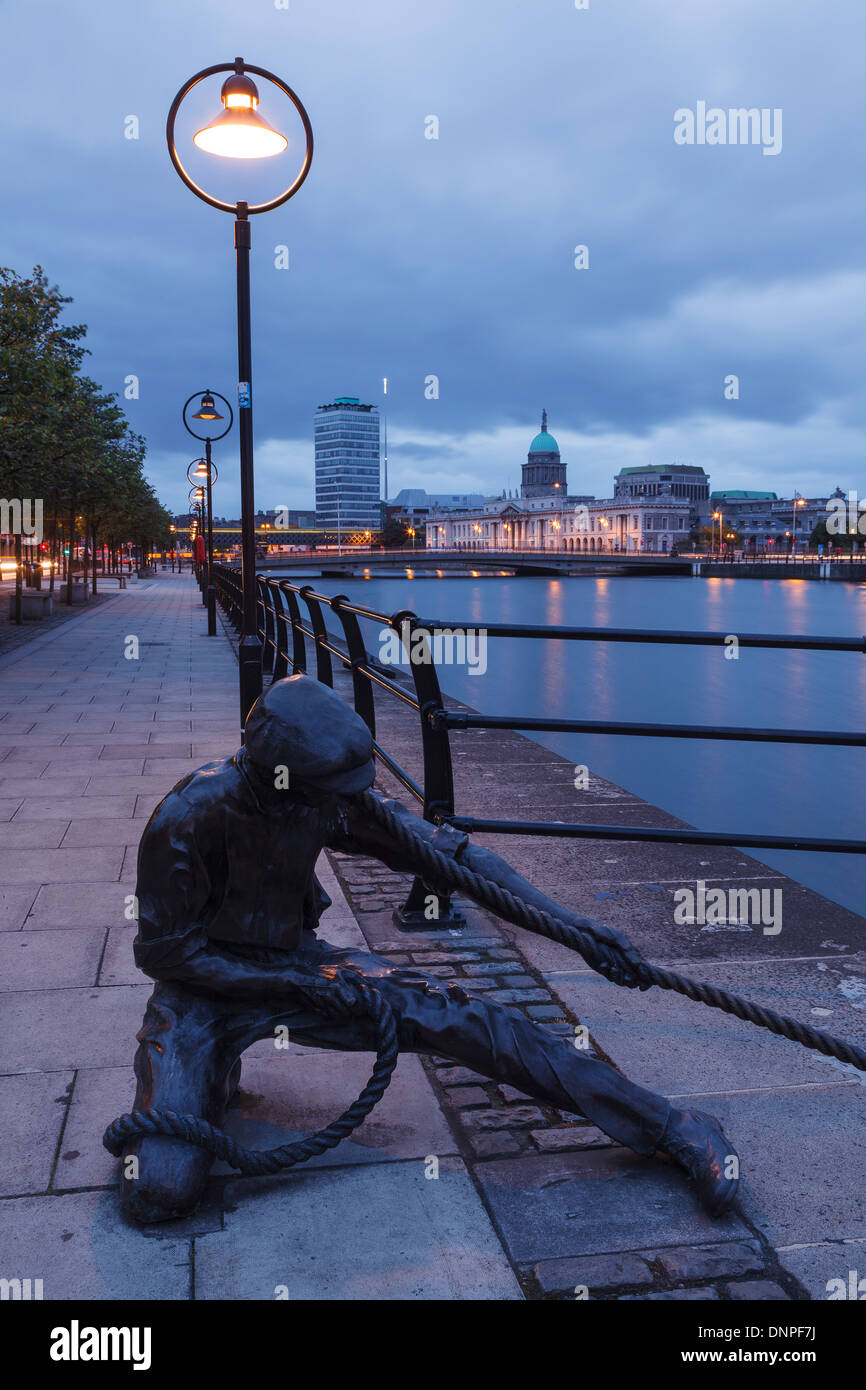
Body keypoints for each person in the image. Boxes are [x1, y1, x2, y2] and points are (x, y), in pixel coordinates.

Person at [125, 675, 739, 1224]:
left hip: (297, 965)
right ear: (279, 773)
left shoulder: (325, 800)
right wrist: (301, 987)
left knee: (470, 1017)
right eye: (330, 788)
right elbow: (165, 956)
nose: (345, 800)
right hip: (200, 993)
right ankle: (201, 1071)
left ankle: (670, 1125)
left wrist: (573, 928)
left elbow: (460, 861)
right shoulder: (188, 817)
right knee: (161, 1193)